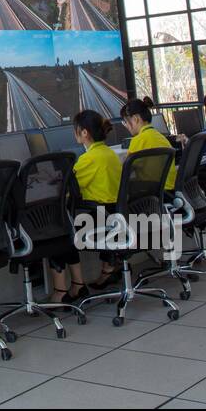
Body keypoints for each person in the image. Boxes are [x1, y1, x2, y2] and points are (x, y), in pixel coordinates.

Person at [69, 109, 124, 291]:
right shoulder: (110, 154)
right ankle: (108, 268)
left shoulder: (89, 158)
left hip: (101, 218)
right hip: (117, 215)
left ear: (84, 132)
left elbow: (69, 186)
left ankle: (76, 285)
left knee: (64, 231)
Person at [120, 96, 177, 190]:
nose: (126, 126)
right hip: (168, 190)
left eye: (125, 122)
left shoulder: (138, 140)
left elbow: (125, 171)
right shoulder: (161, 137)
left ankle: (102, 206)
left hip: (150, 194)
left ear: (135, 119)